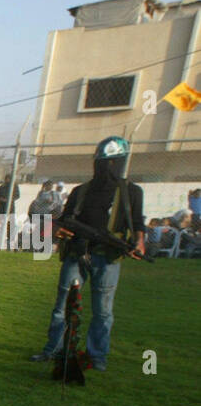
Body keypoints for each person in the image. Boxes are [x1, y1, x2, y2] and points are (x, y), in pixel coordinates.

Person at [29, 136, 146, 370]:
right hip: (77, 252)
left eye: (111, 162)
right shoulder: (80, 191)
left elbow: (137, 222)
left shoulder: (131, 192)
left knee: (103, 310)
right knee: (63, 304)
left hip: (109, 256)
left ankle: (97, 357)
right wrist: (59, 230)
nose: (106, 168)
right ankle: (54, 349)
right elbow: (64, 220)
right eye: (103, 162)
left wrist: (139, 242)